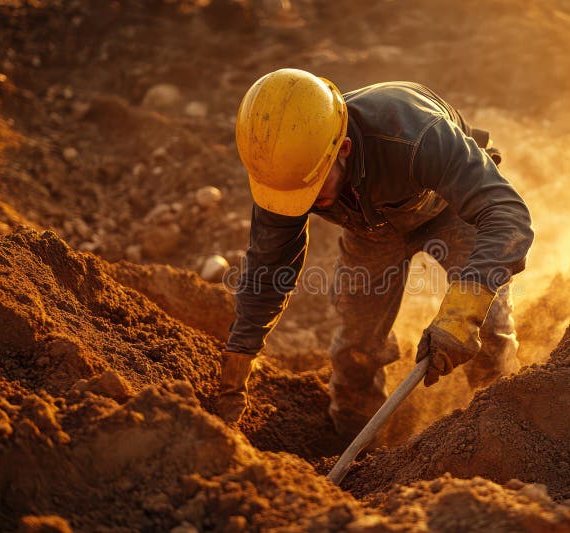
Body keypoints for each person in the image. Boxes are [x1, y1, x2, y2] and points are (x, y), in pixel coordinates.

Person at [217, 68, 534, 438]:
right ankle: (357, 448)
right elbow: (268, 267)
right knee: (356, 349)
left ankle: (505, 432)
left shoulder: (416, 135)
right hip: (370, 233)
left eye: (313, 191)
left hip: (451, 211)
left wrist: (465, 306)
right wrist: (239, 355)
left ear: (344, 149)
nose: (304, 204)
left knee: (488, 333)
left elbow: (508, 216)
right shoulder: (285, 173)